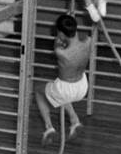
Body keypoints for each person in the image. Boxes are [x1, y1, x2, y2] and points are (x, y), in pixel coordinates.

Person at [34, 13, 91, 144]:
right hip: (82, 87)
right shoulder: (88, 42)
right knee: (59, 94)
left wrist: (59, 38)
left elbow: (59, 43)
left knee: (38, 90)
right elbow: (74, 36)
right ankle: (74, 120)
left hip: (65, 88)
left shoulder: (61, 52)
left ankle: (49, 128)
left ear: (60, 33)